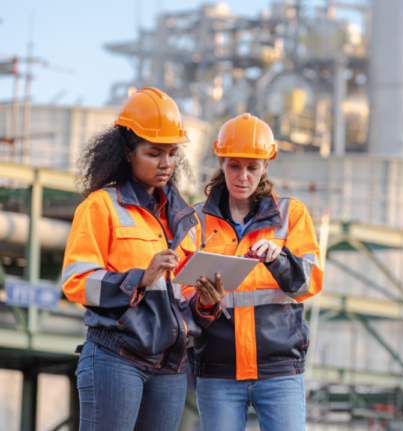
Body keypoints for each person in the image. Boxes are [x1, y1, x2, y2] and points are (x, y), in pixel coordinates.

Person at [62, 88, 203, 431]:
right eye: (154, 153)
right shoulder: (101, 206)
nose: (166, 163)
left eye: (172, 153)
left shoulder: (186, 219)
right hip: (116, 358)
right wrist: (140, 277)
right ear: (127, 153)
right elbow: (76, 281)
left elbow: (183, 298)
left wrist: (207, 301)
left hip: (170, 366)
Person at [185, 113, 323, 431]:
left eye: (252, 167)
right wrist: (204, 299)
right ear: (221, 161)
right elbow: (183, 293)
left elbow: (310, 282)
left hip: (280, 371)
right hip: (218, 370)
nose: (242, 176)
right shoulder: (195, 220)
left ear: (266, 166)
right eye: (234, 165)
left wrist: (280, 260)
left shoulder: (292, 215)